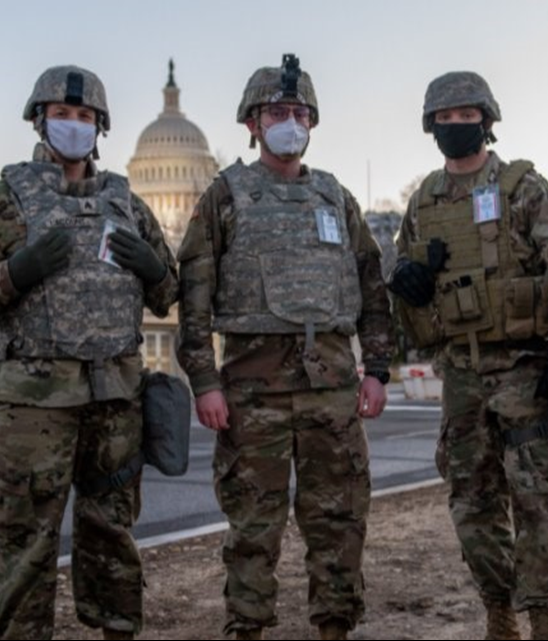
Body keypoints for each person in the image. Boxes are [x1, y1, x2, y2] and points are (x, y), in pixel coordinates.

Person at [0, 65, 178, 640]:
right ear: (40, 121)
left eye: (85, 117)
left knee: (113, 534)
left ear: (100, 128)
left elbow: (168, 293)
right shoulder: (0, 202)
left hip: (114, 397)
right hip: (32, 405)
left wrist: (153, 266)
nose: (73, 126)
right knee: (25, 544)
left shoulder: (127, 205)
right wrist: (12, 275)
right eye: (62, 115)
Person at [175, 54, 393, 641]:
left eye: (299, 112)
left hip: (332, 388)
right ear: (252, 122)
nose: (288, 121)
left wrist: (378, 371)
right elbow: (193, 292)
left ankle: (335, 630)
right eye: (277, 111)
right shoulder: (225, 196)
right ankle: (247, 630)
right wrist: (205, 380)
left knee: (340, 522)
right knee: (253, 527)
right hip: (253, 392)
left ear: (313, 122)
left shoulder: (336, 199)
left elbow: (372, 287)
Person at [387, 71, 548, 641]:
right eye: (446, 119)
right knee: (471, 506)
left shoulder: (523, 188)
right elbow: (401, 282)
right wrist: (409, 279)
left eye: (467, 116)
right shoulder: (424, 201)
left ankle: (545, 622)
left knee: (534, 502)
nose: (457, 127)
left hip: (524, 369)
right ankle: (499, 613)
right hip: (461, 374)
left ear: (487, 120)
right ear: (432, 126)